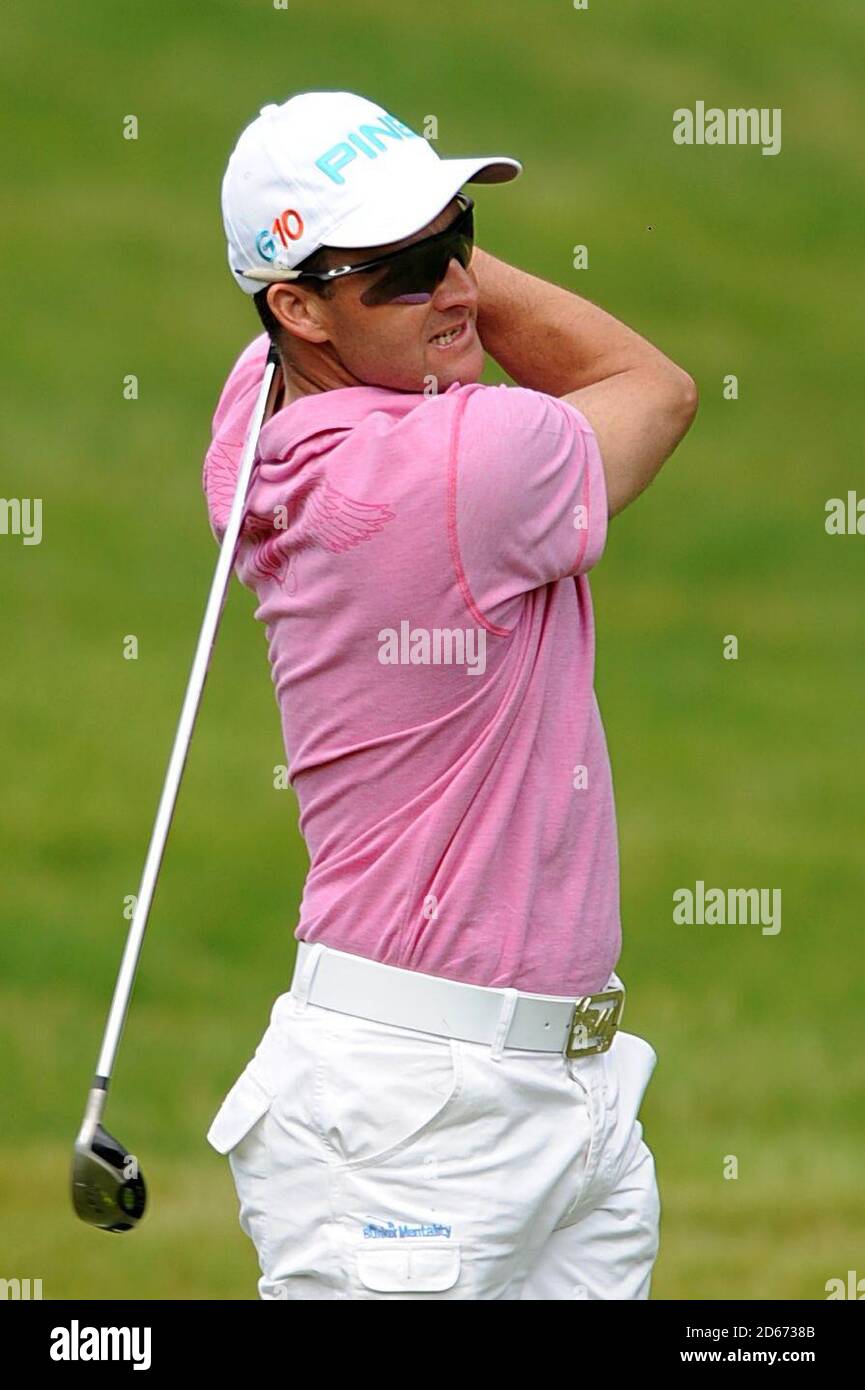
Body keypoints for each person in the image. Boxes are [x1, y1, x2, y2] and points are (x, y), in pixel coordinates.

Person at [204, 90, 697, 1300]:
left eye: (460, 231)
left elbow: (273, 350)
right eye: (411, 268)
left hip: (551, 1096)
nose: (461, 286)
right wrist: (448, 253)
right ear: (299, 308)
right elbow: (654, 386)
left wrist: (408, 256)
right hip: (416, 1126)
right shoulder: (467, 461)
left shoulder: (255, 424)